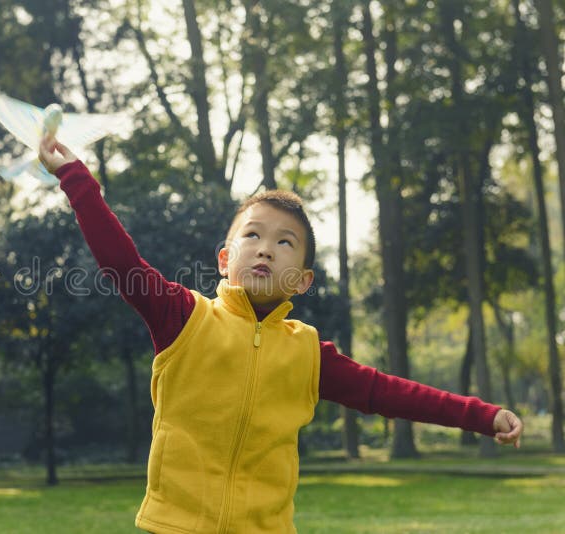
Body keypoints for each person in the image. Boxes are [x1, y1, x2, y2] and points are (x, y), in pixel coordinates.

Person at [37, 138, 523, 534]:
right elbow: (121, 262)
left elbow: (390, 393)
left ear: (303, 280)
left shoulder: (308, 353)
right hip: (177, 526)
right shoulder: (184, 318)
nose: (265, 249)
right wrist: (76, 178)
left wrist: (482, 415)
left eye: (284, 242)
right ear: (224, 260)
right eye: (252, 235)